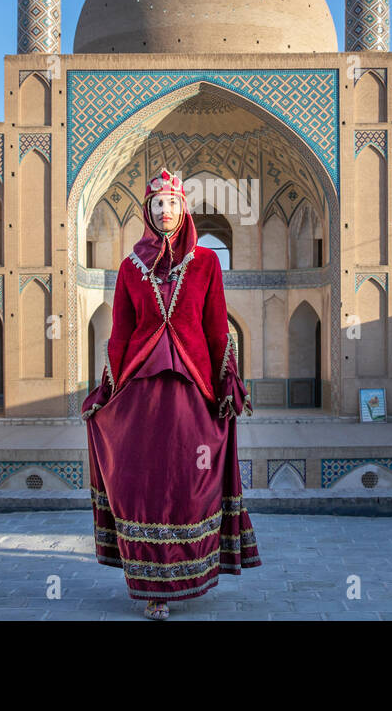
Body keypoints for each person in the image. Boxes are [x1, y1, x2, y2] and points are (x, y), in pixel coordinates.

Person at [81, 168, 260, 619]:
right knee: (144, 481)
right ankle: (150, 586)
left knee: (188, 481)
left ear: (184, 209)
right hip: (142, 391)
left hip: (191, 388)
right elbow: (119, 334)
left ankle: (189, 573)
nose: (165, 210)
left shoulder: (205, 263)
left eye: (173, 203)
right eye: (158, 203)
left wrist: (226, 384)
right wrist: (106, 391)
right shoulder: (129, 268)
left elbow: (217, 329)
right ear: (148, 211)